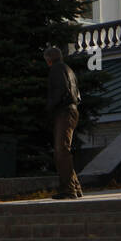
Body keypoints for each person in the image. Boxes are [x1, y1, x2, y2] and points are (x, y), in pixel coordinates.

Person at [43, 46, 83, 200]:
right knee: (63, 150)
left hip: (64, 111)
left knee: (61, 151)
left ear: (49, 59)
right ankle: (75, 187)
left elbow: (61, 91)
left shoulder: (56, 70)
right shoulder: (68, 69)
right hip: (72, 111)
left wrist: (50, 107)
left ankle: (68, 189)